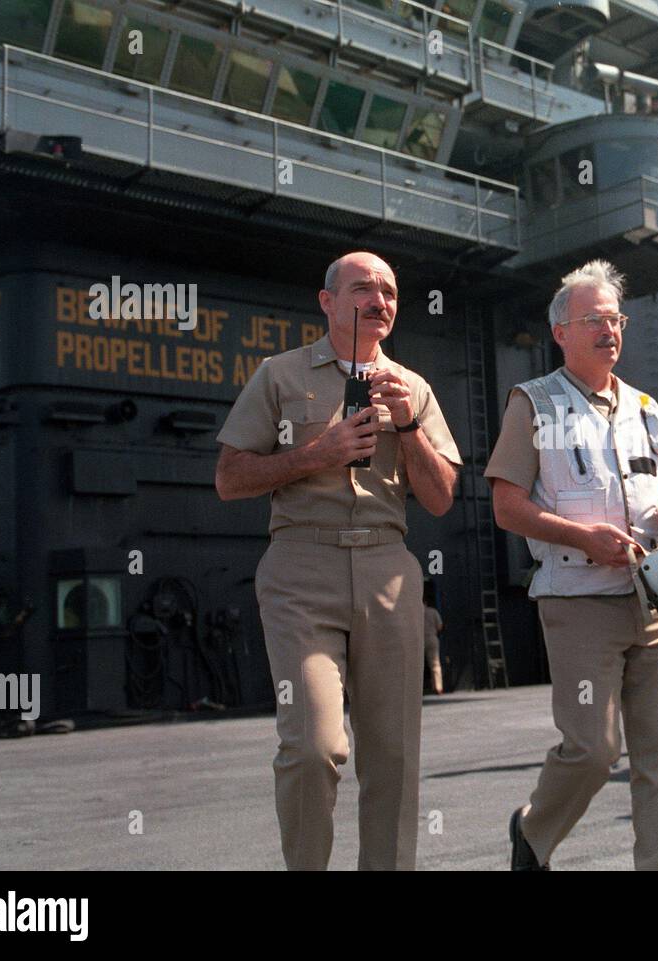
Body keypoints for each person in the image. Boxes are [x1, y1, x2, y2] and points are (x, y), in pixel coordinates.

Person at [214, 251, 462, 870]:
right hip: (302, 567)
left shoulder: (416, 389)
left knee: (394, 757)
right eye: (363, 288)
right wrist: (316, 453)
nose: (380, 300)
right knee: (313, 747)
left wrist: (409, 428)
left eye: (390, 291)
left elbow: (439, 498)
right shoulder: (279, 375)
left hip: (388, 570)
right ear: (326, 301)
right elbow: (229, 478)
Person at [485, 259, 658, 871]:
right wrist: (582, 536)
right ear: (561, 332)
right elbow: (506, 506)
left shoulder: (649, 409)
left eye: (616, 318)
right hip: (579, 600)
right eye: (594, 320)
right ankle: (533, 830)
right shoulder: (535, 404)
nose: (610, 330)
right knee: (594, 748)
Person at [423, 599, 444, 696]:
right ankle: (438, 687)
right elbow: (440, 626)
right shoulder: (433, 611)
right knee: (435, 663)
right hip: (431, 638)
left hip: (418, 640)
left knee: (415, 665)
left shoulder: (414, 612)